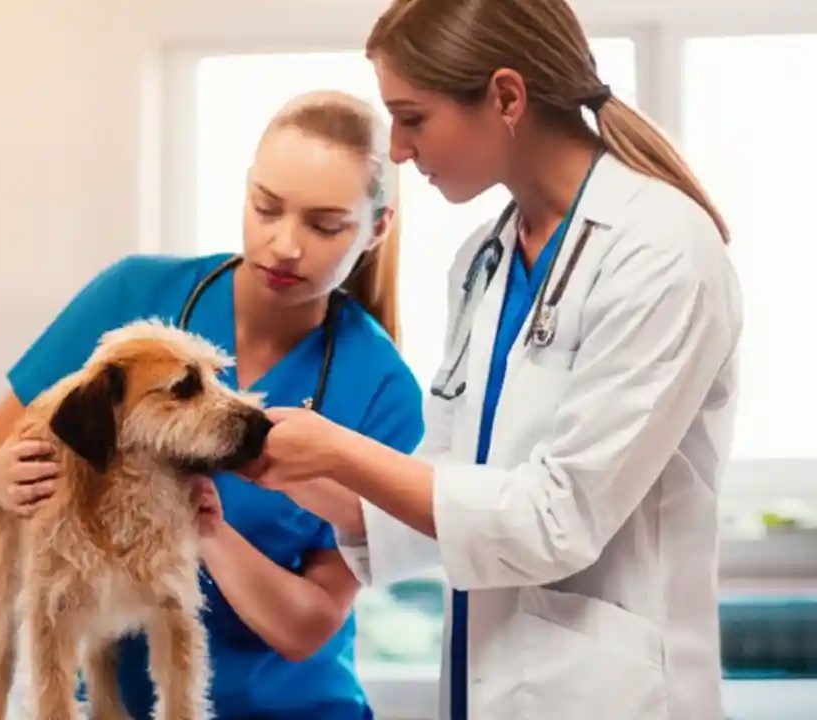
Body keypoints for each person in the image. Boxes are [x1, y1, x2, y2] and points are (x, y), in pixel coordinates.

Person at [246, 2, 742, 720]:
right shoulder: (484, 259)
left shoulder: (661, 253)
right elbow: (449, 483)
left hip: (613, 695)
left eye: (413, 118)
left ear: (506, 98)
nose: (398, 151)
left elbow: (556, 521)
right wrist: (294, 468)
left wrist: (341, 452)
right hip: (487, 681)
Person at [0, 90, 424, 719]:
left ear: (375, 229)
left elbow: (308, 626)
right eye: (266, 208)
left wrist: (206, 528)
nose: (284, 245)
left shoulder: (382, 387)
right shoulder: (135, 298)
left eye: (324, 224)